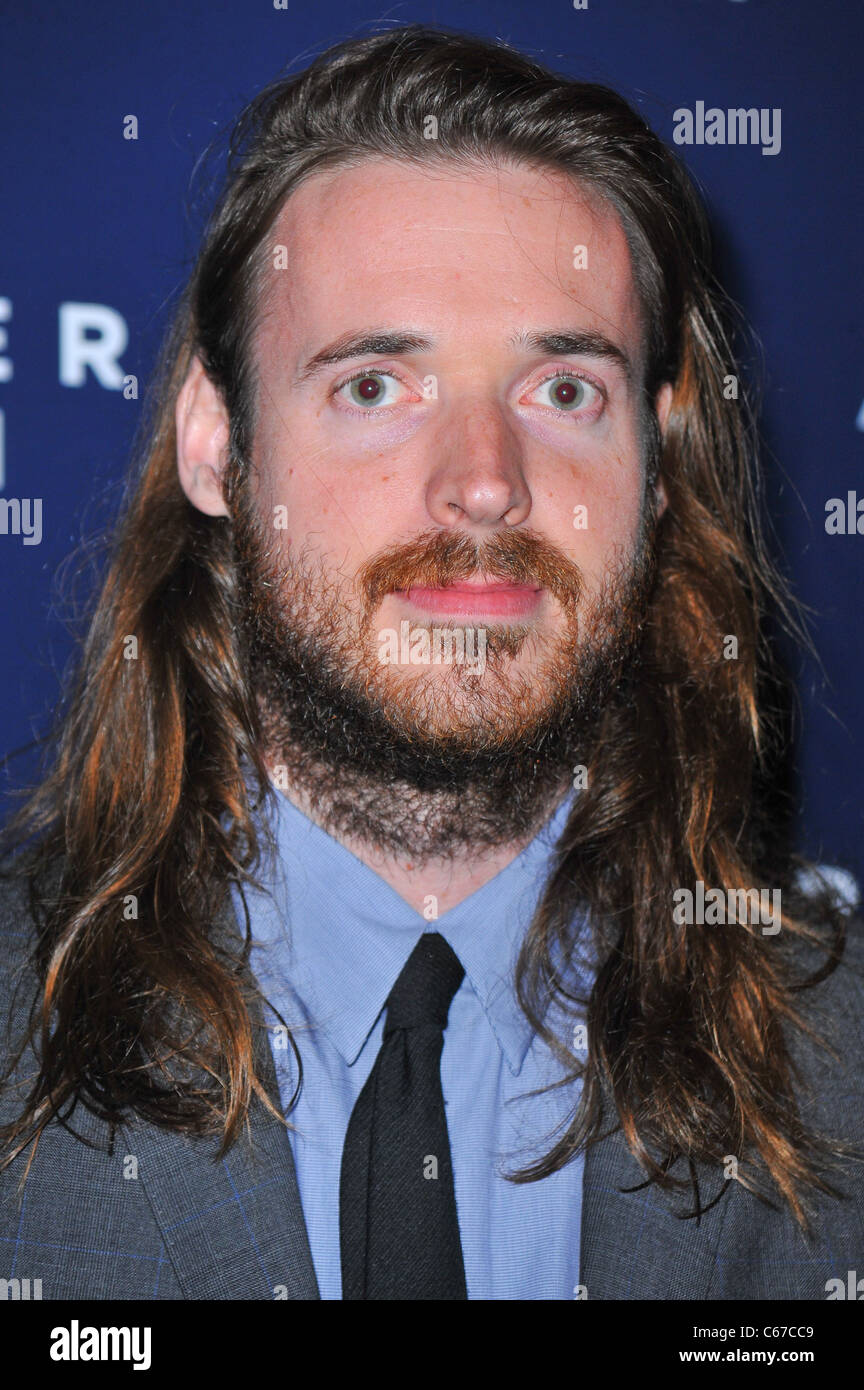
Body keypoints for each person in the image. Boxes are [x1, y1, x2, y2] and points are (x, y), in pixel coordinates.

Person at [1, 23, 861, 1302]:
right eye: (374, 386)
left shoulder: (842, 1064)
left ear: (658, 473)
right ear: (213, 447)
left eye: (563, 390)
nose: (482, 485)